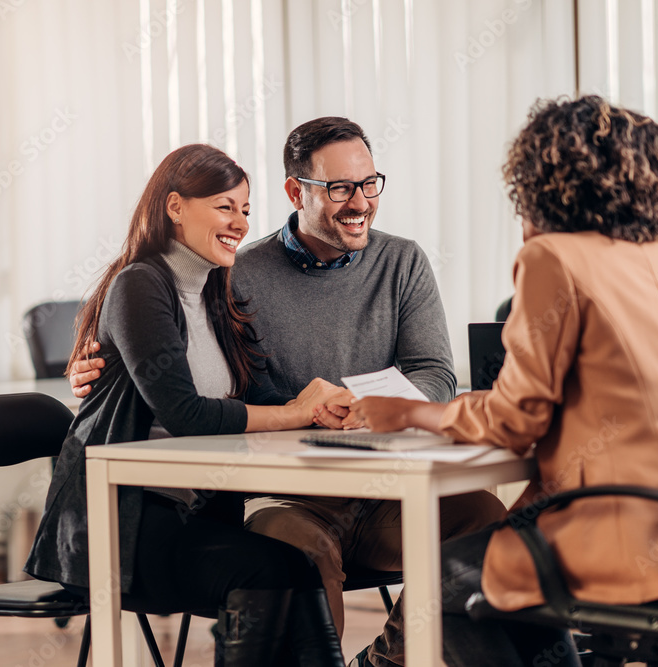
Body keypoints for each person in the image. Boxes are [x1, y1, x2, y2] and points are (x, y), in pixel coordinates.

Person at [69, 117, 506, 667]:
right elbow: (182, 350)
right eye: (341, 187)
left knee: (488, 519)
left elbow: (435, 374)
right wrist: (97, 359)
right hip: (291, 493)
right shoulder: (234, 272)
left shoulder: (403, 262)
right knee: (293, 554)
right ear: (296, 192)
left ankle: (386, 662)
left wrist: (381, 410)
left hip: (391, 491)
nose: (360, 202)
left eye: (369, 183)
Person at [350, 95, 658, 666]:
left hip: (618, 526)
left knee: (440, 580)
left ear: (543, 178)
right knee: (496, 583)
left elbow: (516, 423)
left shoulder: (553, 258)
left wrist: (411, 413)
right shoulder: (657, 256)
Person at [25, 144, 351, 666]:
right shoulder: (141, 285)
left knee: (296, 568)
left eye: (245, 210)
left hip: (193, 514)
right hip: (126, 525)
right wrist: (296, 413)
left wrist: (320, 404)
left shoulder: (217, 290)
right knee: (266, 573)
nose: (240, 223)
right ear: (175, 207)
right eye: (225, 206)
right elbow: (185, 413)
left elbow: (258, 396)